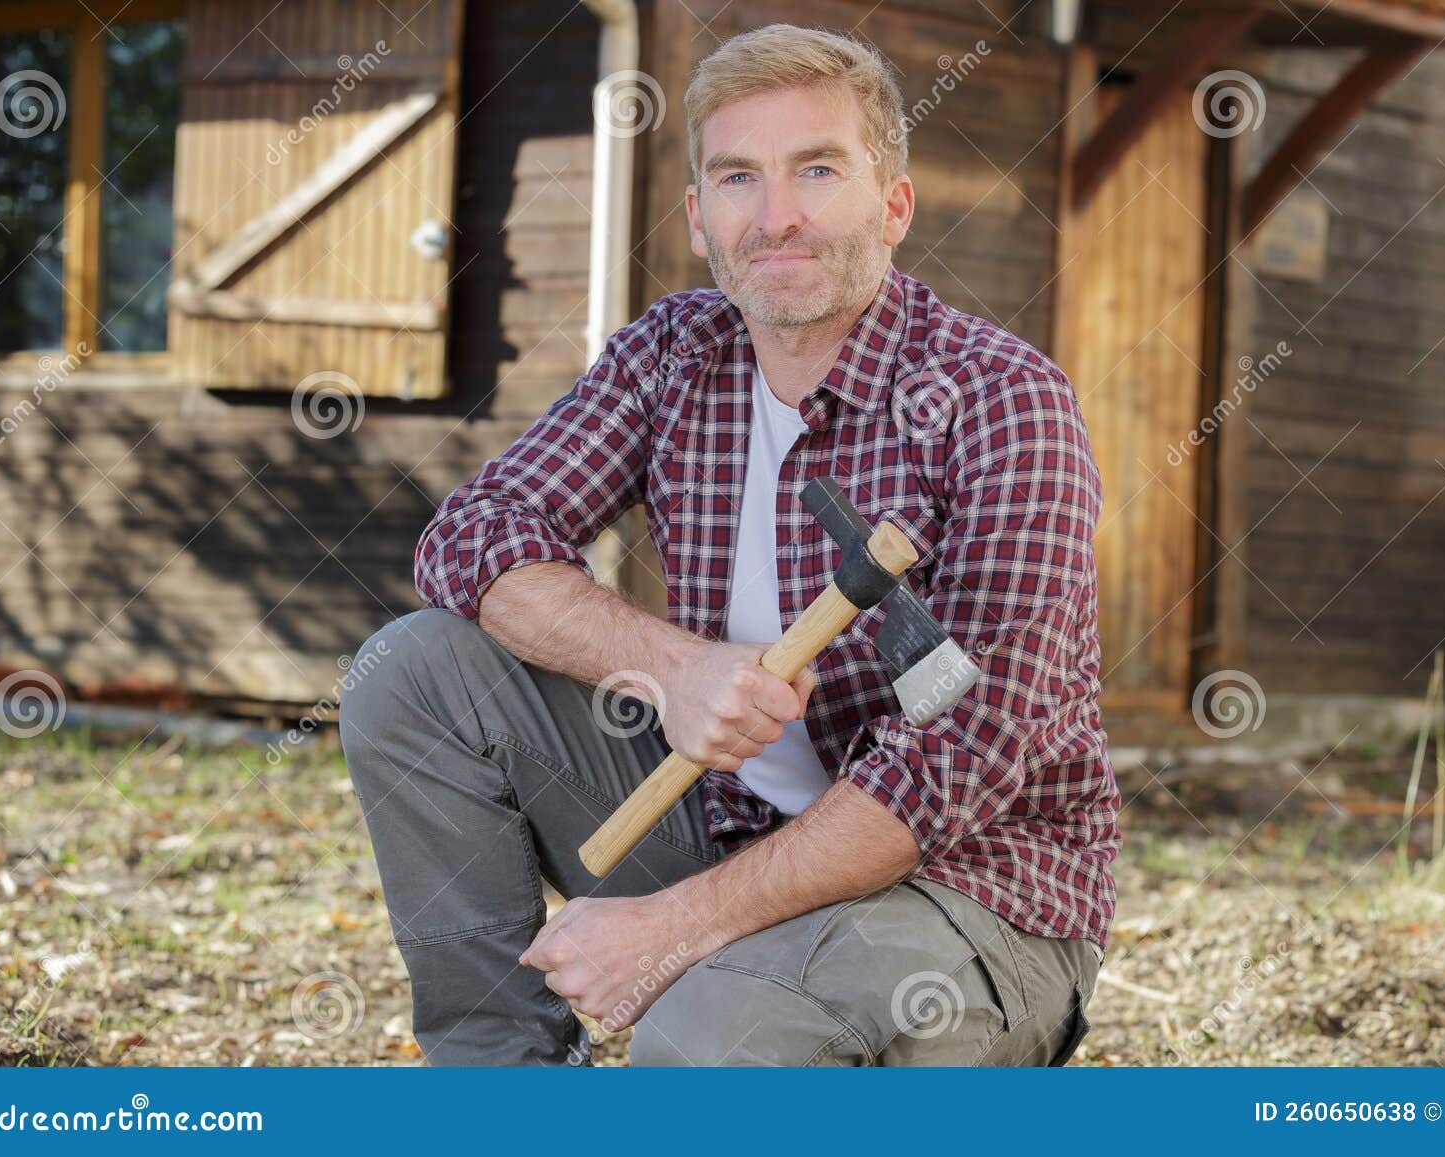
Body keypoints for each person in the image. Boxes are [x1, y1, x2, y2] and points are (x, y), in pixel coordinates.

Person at [340, 23, 1121, 1067]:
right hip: (729, 831)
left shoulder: (1001, 400)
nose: (777, 215)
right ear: (700, 220)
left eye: (817, 169)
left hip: (965, 890)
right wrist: (676, 668)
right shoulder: (676, 355)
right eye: (737, 178)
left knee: (706, 1040)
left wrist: (670, 930)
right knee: (413, 670)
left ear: (894, 206)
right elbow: (471, 537)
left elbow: (957, 761)